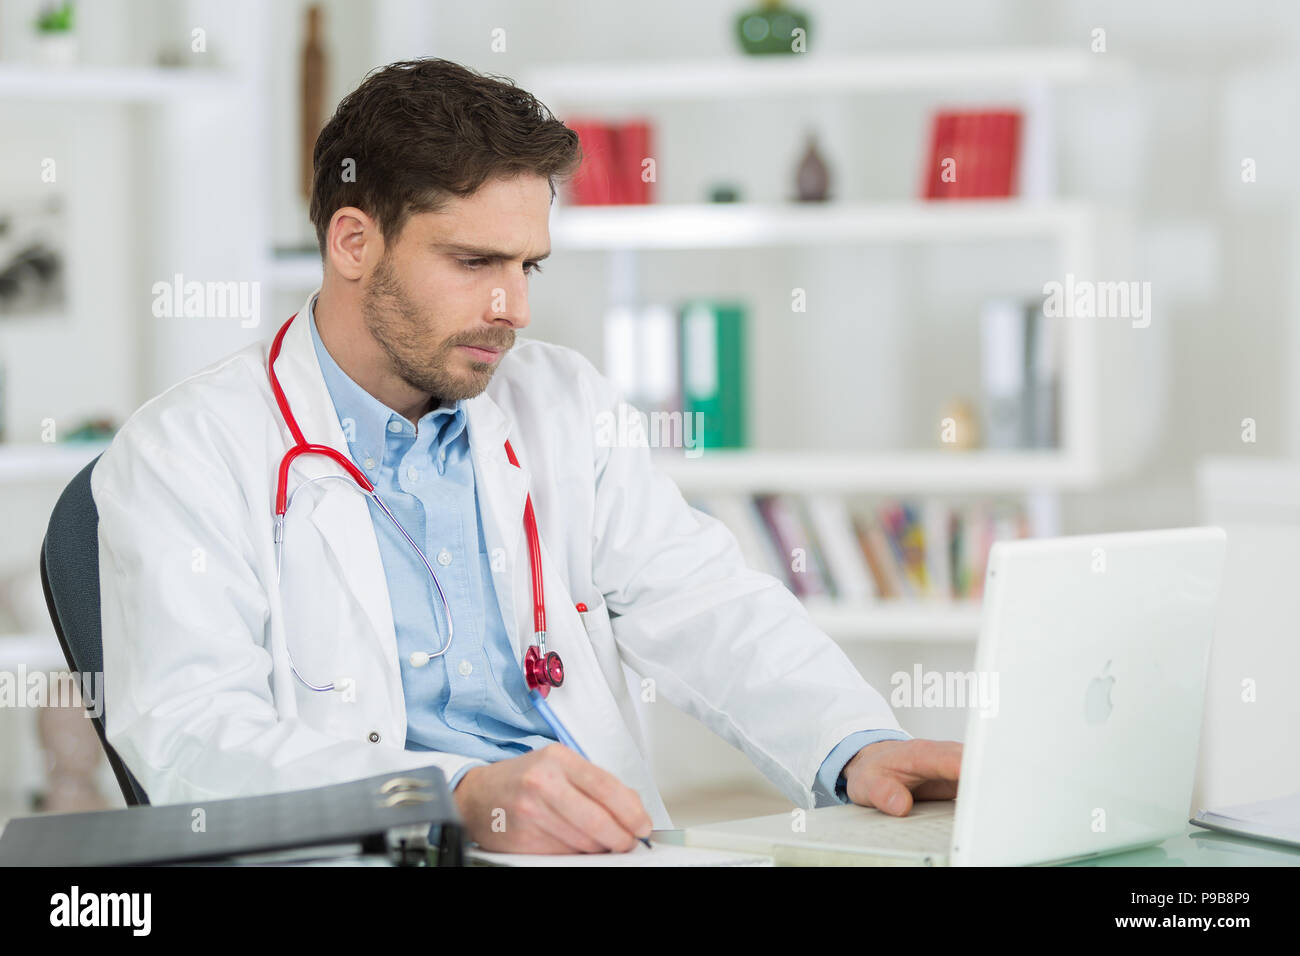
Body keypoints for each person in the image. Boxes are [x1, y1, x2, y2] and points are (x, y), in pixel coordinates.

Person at [93, 58, 960, 854]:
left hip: (594, 845)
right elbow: (192, 738)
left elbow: (704, 603)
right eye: (473, 261)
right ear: (353, 243)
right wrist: (456, 794)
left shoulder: (561, 400)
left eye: (527, 267)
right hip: (386, 845)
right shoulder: (185, 453)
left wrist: (856, 747)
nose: (513, 308)